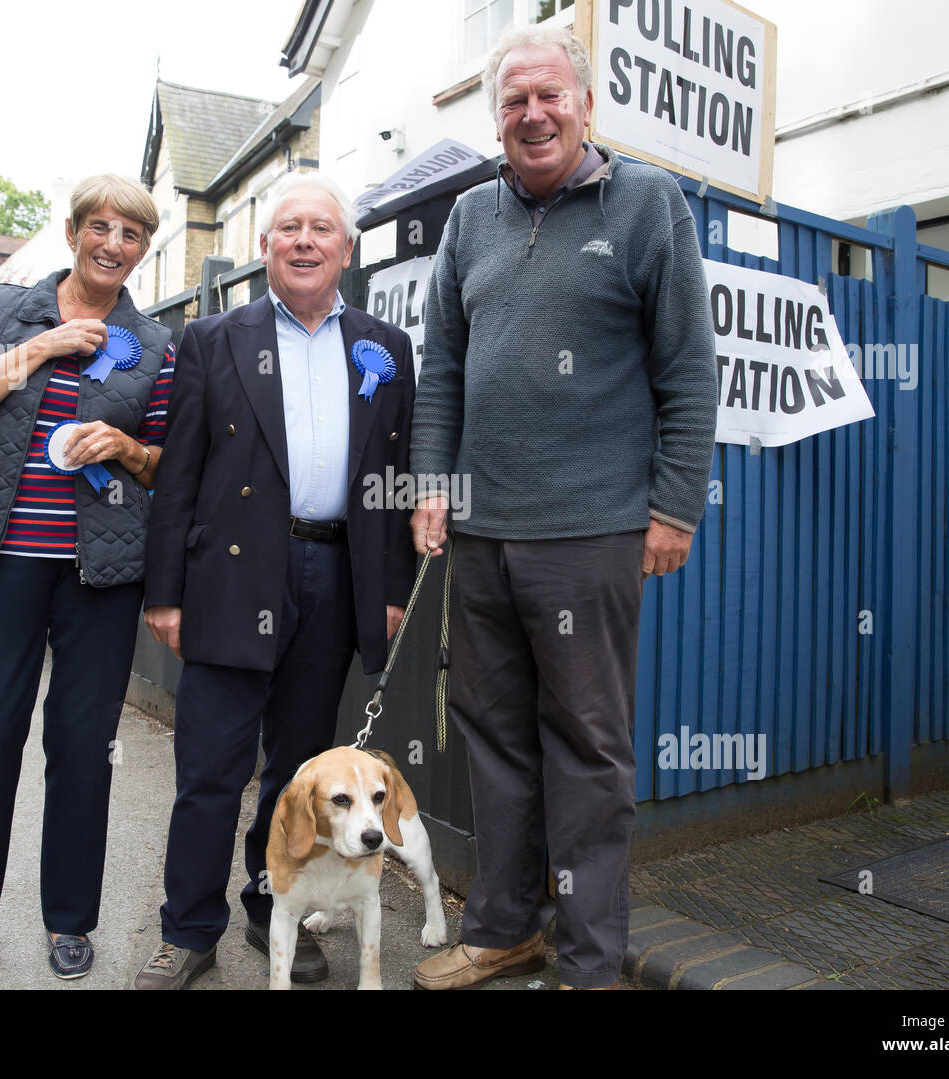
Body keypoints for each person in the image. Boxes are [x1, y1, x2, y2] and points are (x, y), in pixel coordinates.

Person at [408, 24, 718, 990]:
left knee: (586, 748)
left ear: (586, 105)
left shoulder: (646, 205)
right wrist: (430, 482)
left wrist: (673, 507)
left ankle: (588, 960)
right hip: (484, 534)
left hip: (591, 533)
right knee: (492, 739)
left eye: (550, 96)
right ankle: (503, 925)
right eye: (513, 101)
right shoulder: (468, 219)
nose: (532, 115)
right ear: (496, 116)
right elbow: (443, 369)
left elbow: (688, 369)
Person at [135, 172, 415, 990]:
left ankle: (271, 911)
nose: (303, 240)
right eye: (288, 227)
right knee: (212, 767)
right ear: (266, 248)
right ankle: (187, 930)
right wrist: (164, 590)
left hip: (338, 574)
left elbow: (394, 475)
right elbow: (177, 472)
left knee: (301, 768)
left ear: (345, 249)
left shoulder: (385, 346)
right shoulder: (213, 338)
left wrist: (391, 587)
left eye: (320, 229)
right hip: (234, 576)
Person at [0, 174, 176, 989]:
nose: (113, 244)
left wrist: (127, 449)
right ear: (73, 232)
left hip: (99, 574)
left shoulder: (159, 344)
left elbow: (170, 463)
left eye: (131, 234)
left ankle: (70, 920)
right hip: (1, 565)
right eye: (100, 226)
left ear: (143, 249)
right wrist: (41, 348)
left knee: (83, 747)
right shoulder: (8, 310)